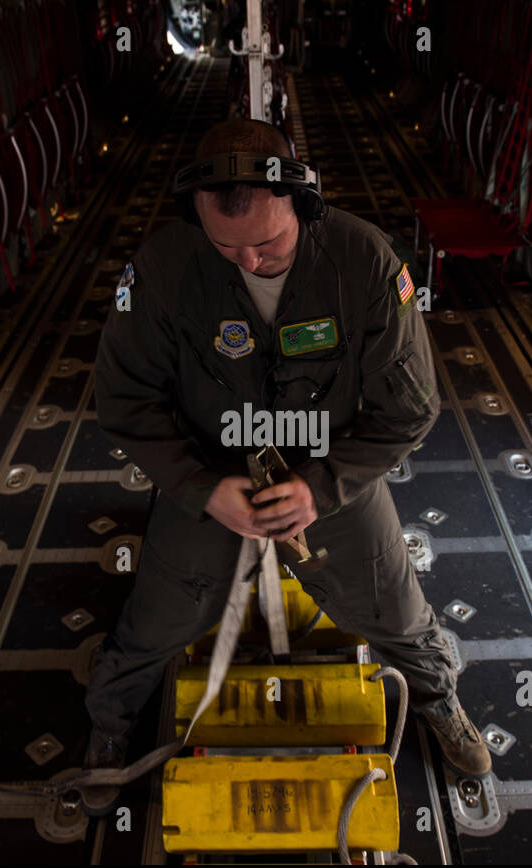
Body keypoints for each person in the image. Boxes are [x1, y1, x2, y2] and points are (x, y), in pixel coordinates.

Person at [82, 118, 491, 815]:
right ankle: (109, 725)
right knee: (156, 618)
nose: (248, 261)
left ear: (303, 202)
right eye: (226, 246)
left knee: (394, 604)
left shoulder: (364, 262)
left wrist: (322, 485)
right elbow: (123, 401)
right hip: (210, 473)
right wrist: (204, 489)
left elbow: (411, 409)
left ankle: (439, 698)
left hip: (328, 471)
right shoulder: (162, 269)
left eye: (267, 243)